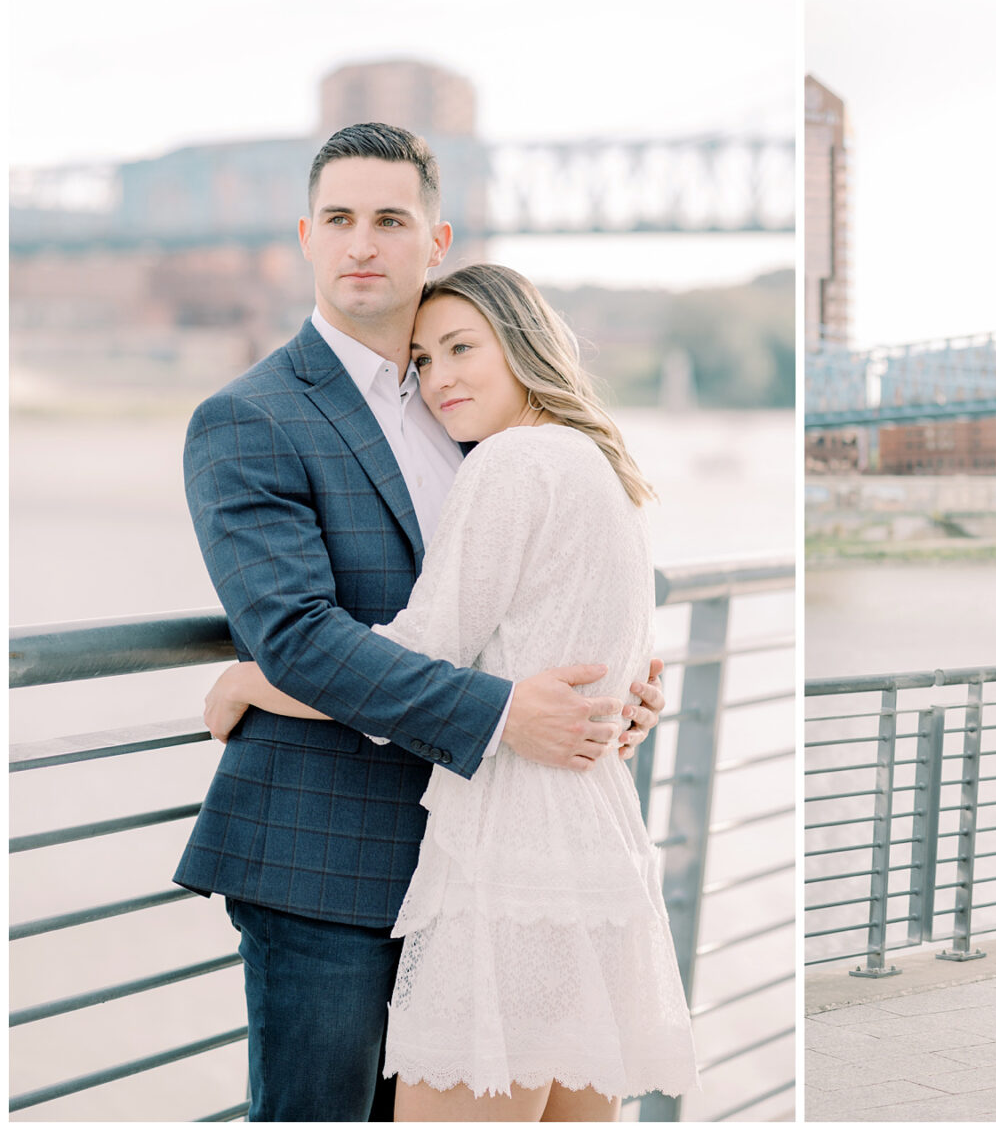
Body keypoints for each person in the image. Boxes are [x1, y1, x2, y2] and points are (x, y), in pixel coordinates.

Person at [177, 123, 666, 1121]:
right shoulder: (249, 418)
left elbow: (534, 598)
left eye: (391, 220)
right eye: (343, 220)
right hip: (326, 858)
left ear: (434, 240)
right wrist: (500, 712)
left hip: (486, 856)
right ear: (306, 237)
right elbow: (298, 638)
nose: (365, 243)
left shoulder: (480, 418)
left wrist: (618, 687)